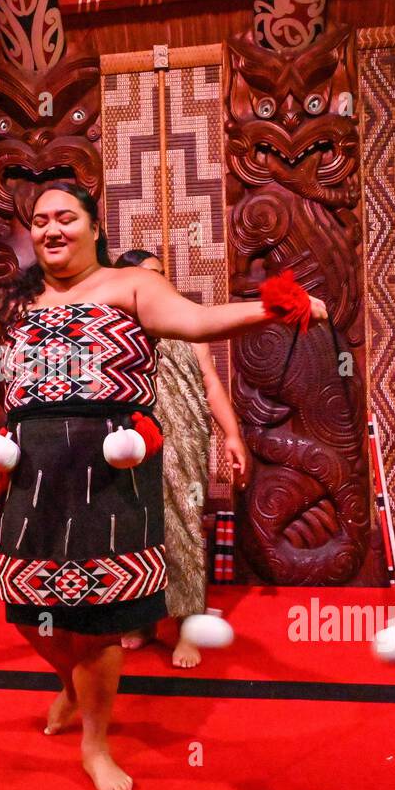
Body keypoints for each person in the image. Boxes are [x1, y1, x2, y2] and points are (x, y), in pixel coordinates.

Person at [0, 182, 326, 790]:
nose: (52, 229)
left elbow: (199, 322)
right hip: (32, 466)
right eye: (41, 220)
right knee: (25, 607)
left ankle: (95, 743)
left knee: (102, 620)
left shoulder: (132, 286)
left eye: (66, 218)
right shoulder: (10, 300)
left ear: (93, 227)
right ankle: (72, 684)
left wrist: (273, 306)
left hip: (112, 468)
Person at [112, 248, 249, 668]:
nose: (159, 282)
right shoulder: (118, 330)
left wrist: (232, 434)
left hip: (186, 437)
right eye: (147, 276)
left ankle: (187, 626)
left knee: (184, 527)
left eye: (161, 274)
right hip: (132, 440)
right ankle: (143, 620)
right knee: (136, 530)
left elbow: (209, 381)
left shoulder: (186, 321)